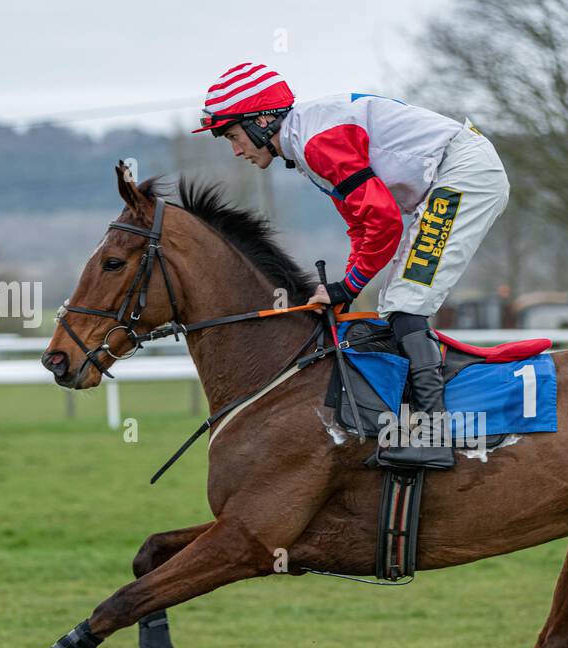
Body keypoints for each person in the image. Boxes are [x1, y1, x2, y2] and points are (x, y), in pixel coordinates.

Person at [193, 62, 511, 469]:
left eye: (233, 136)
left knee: (406, 302)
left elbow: (383, 221)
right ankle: (415, 424)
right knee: (395, 304)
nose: (236, 150)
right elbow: (362, 227)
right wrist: (347, 287)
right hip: (449, 175)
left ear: (261, 120)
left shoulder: (316, 142)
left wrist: (347, 287)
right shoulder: (304, 142)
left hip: (463, 173)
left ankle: (434, 438)